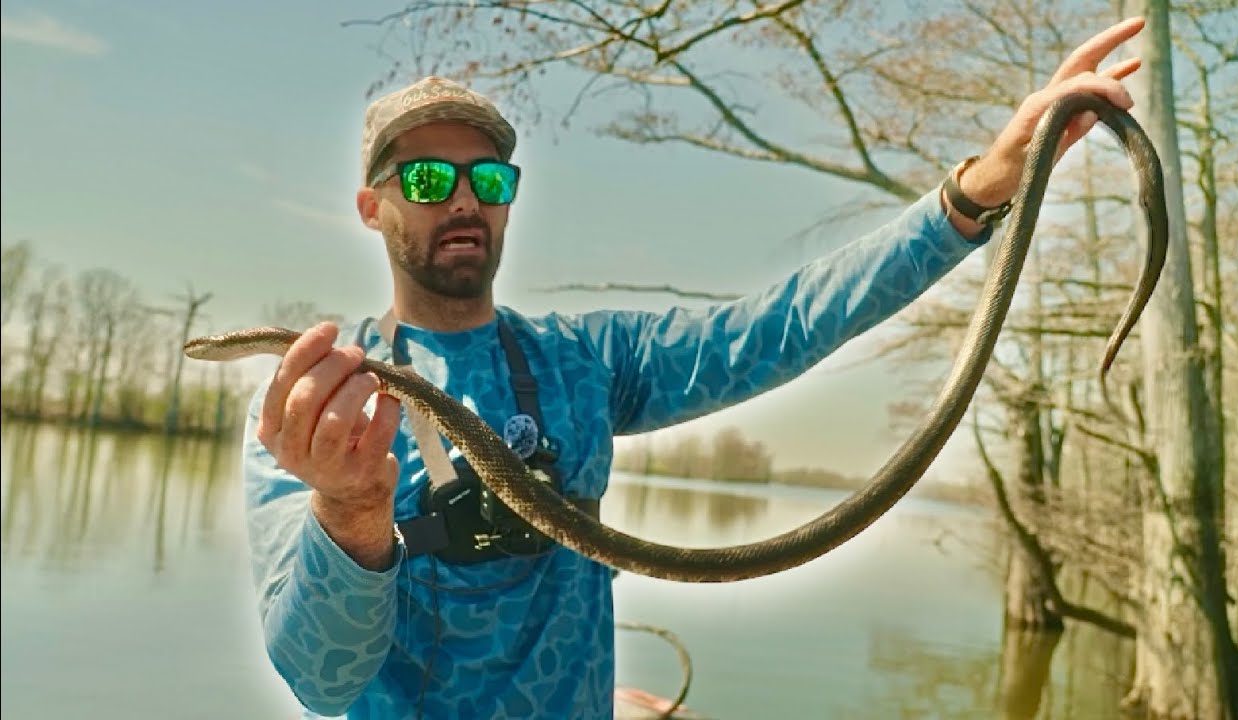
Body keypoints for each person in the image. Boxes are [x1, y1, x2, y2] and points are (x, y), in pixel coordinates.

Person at [241, 16, 1147, 719]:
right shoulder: (321, 409)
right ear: (373, 206)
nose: (467, 198)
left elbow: (776, 326)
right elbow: (321, 680)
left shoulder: (584, 363)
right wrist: (350, 514)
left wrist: (976, 192)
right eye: (431, 180)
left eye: (492, 177)